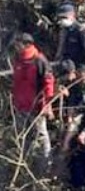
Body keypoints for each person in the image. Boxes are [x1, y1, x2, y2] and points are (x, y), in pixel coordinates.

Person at [9, 34, 56, 171]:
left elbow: (49, 83)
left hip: (36, 107)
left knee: (41, 136)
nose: (16, 46)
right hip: (20, 106)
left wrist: (47, 104)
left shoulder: (39, 60)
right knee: (23, 136)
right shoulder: (17, 59)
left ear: (26, 44)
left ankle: (46, 165)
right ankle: (25, 165)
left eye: (18, 43)